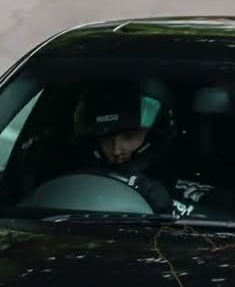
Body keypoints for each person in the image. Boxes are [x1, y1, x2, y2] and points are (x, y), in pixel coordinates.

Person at [73, 80, 177, 212]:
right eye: (105, 138)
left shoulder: (182, 190)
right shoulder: (74, 185)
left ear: (152, 136)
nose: (116, 150)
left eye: (129, 137)